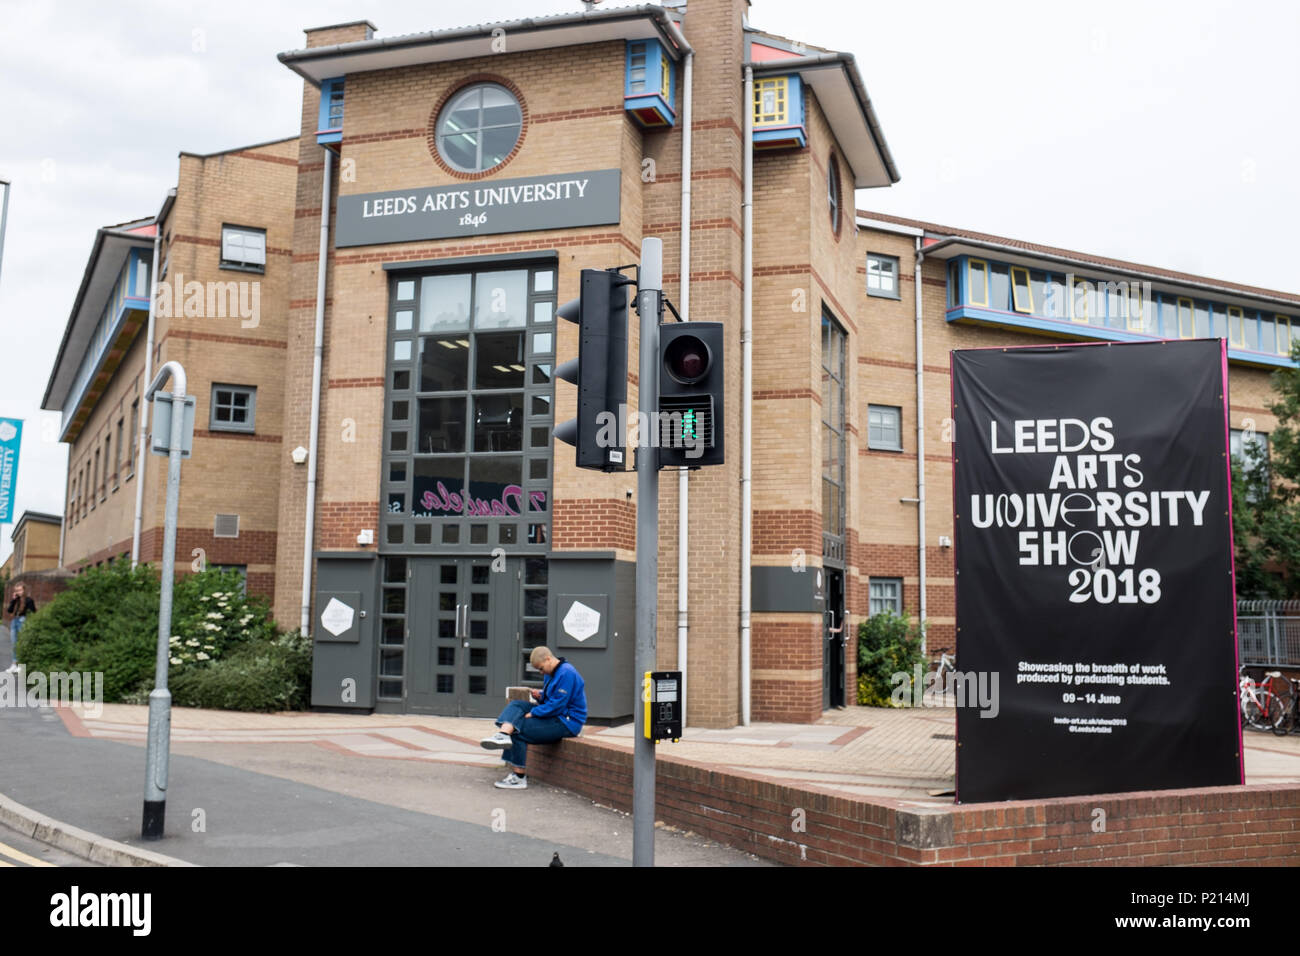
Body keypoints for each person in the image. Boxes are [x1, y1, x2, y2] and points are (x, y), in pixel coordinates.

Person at [480, 646, 586, 789]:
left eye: (541, 668)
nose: (541, 672)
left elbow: (558, 705)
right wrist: (541, 695)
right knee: (517, 705)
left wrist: (535, 713)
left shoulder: (567, 673)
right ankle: (503, 734)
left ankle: (519, 778)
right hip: (554, 715)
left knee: (518, 730)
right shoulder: (553, 671)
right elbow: (553, 698)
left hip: (567, 722)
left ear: (548, 659)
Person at [6, 584, 35, 674]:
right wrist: (13, 600)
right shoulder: (16, 600)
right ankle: (14, 664)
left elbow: (32, 612)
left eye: (20, 590)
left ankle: (22, 665)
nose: (18, 592)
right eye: (17, 590)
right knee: (14, 644)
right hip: (14, 621)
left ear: (24, 590)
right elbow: (9, 610)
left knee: (23, 643)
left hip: (23, 621)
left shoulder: (29, 600)